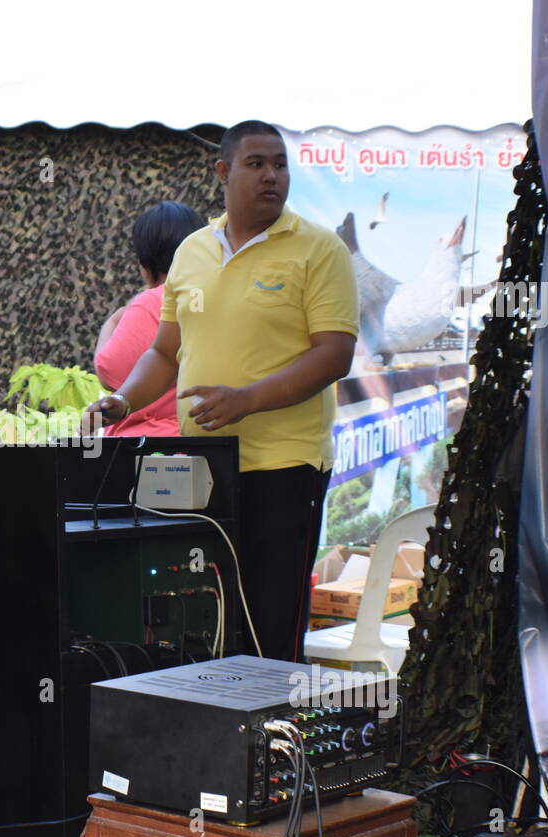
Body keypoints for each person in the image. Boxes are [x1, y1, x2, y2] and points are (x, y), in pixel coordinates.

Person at [87, 120, 358, 661]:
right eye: (256, 163)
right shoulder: (192, 252)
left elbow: (334, 354)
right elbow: (165, 352)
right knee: (207, 619)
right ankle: (215, 741)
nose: (272, 176)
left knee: (271, 622)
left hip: (286, 466)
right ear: (223, 171)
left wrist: (246, 399)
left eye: (280, 164)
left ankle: (275, 741)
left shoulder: (319, 250)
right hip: (202, 468)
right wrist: (123, 401)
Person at [93, 201, 203, 437]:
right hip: (200, 438)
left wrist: (110, 324)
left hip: (152, 444)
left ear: (145, 263)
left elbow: (111, 373)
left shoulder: (149, 302)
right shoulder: (207, 295)